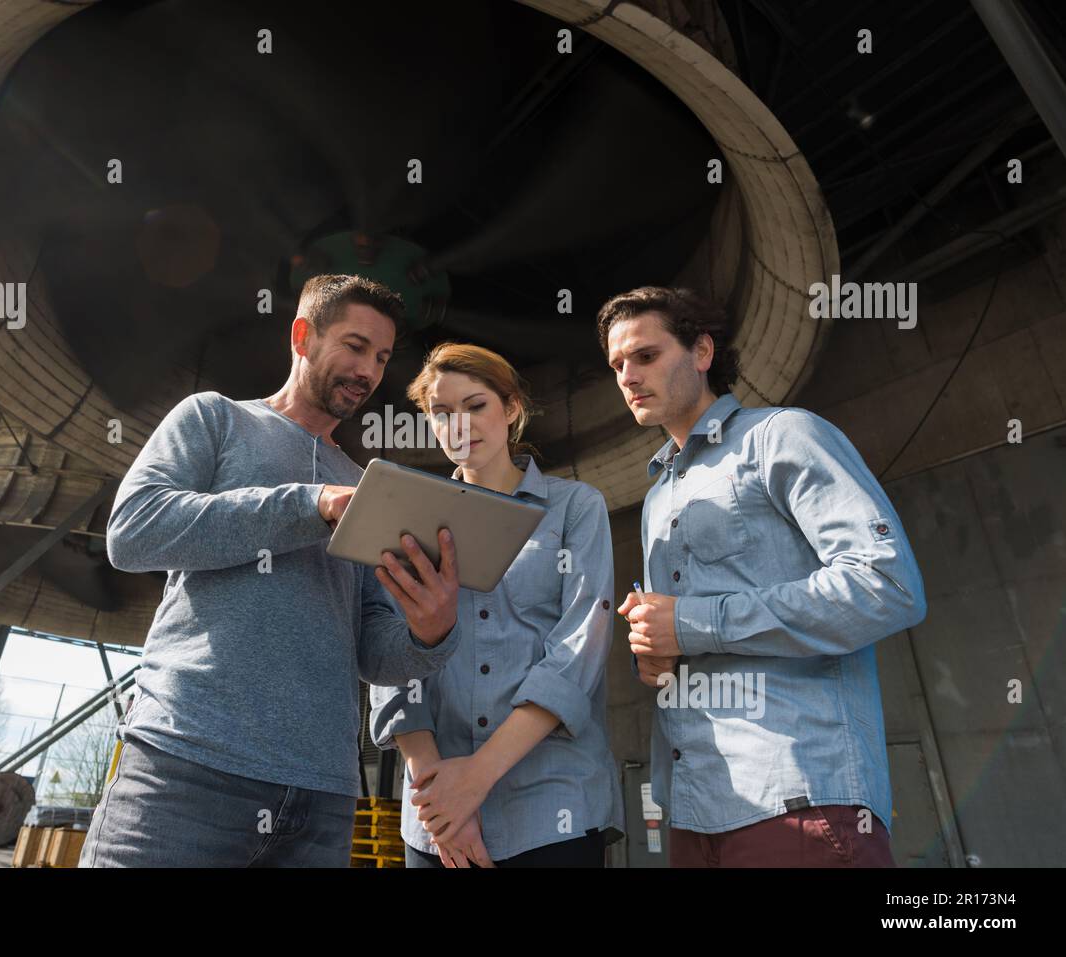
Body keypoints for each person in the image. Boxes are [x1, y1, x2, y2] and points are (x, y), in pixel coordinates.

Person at [79, 274, 461, 868]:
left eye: (382, 358)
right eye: (355, 346)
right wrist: (308, 505)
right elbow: (132, 532)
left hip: (323, 795)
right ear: (303, 336)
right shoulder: (214, 419)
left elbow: (374, 653)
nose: (368, 371)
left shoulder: (367, 488)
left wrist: (429, 633)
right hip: (188, 767)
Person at [599, 285, 926, 867]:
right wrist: (655, 655)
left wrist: (692, 624)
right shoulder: (655, 500)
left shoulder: (783, 435)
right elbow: (678, 638)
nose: (627, 376)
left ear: (702, 352)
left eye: (645, 356)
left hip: (799, 799)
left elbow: (887, 585)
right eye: (617, 364)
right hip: (692, 811)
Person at [369, 343, 625, 868]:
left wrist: (476, 778)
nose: (459, 424)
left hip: (552, 809)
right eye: (441, 413)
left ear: (510, 409)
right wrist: (442, 797)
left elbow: (578, 654)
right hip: (437, 819)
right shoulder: (406, 517)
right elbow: (389, 662)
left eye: (475, 405)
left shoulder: (576, 508)